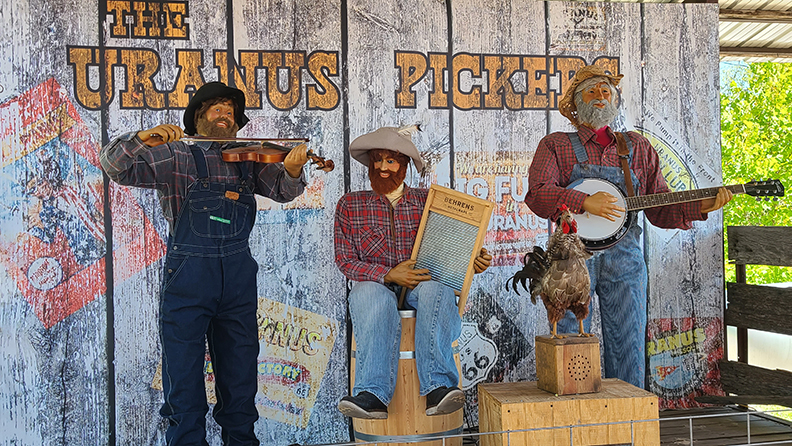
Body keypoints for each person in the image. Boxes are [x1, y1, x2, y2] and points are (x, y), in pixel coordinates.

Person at [100, 81, 309, 445]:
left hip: (238, 282)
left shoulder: (246, 158)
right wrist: (142, 139)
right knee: (183, 385)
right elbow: (115, 167)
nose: (225, 115)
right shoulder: (176, 155)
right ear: (199, 117)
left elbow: (283, 191)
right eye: (217, 108)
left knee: (240, 382)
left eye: (230, 111)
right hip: (189, 281)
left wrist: (292, 171)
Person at [524, 65, 732, 388]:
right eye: (591, 92)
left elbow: (659, 206)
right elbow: (538, 194)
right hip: (571, 260)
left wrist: (701, 205)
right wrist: (583, 201)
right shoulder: (555, 145)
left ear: (615, 101)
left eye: (606, 91)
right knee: (567, 346)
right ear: (576, 105)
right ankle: (570, 425)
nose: (600, 96)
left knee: (629, 350)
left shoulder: (637, 148)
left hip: (626, 261)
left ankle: (628, 428)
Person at [334, 126, 492, 419]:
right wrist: (389, 274)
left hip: (422, 285)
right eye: (377, 160)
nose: (383, 167)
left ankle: (438, 389)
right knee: (368, 294)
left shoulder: (427, 201)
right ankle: (372, 395)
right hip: (376, 286)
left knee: (439, 290)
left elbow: (455, 247)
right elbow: (345, 261)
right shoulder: (350, 204)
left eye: (391, 160)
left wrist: (473, 260)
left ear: (404, 165)